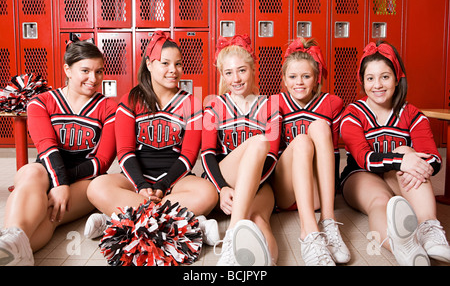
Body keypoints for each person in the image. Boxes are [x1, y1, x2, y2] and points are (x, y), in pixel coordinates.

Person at [86, 31, 218, 248]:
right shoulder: (131, 100)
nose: (173, 70)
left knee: (208, 193)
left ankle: (117, 219)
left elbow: (188, 156)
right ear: (149, 64)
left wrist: (164, 185)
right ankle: (190, 223)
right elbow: (125, 153)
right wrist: (141, 185)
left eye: (178, 64)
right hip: (136, 179)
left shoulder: (192, 104)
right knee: (96, 187)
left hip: (175, 180)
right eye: (165, 63)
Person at [0, 37, 117, 266]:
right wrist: (57, 183)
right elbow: (46, 149)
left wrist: (63, 185)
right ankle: (12, 246)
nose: (93, 79)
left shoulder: (109, 108)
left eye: (99, 71)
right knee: (31, 172)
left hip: (83, 180)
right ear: (68, 69)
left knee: (51, 215)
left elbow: (101, 162)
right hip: (44, 173)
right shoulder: (40, 102)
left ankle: (10, 252)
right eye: (85, 70)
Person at [340, 41, 450, 265]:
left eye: (385, 77)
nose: (377, 85)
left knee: (407, 151)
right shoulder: (353, 113)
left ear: (397, 77)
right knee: (381, 200)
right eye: (370, 78)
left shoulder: (411, 113)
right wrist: (402, 160)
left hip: (398, 179)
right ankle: (402, 247)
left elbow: (433, 157)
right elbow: (365, 159)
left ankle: (428, 228)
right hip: (360, 176)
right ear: (362, 81)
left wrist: (407, 160)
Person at [271, 37, 350, 266]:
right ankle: (309, 232)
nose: (299, 82)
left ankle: (328, 221)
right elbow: (271, 154)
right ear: (284, 79)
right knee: (303, 141)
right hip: (285, 191)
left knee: (319, 126)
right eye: (293, 77)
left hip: (317, 192)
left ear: (316, 79)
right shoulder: (275, 102)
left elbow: (335, 154)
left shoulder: (332, 103)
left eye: (306, 76)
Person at [201, 34, 278, 266]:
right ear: (222, 75)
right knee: (258, 142)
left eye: (242, 70)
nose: (236, 78)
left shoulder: (270, 106)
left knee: (259, 220)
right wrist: (222, 187)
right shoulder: (214, 106)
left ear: (253, 69)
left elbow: (272, 158)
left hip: (261, 181)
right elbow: (206, 154)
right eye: (229, 72)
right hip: (224, 178)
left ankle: (270, 263)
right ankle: (232, 241)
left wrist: (251, 185)